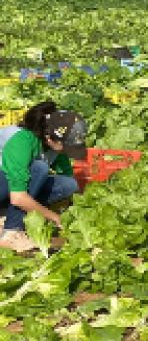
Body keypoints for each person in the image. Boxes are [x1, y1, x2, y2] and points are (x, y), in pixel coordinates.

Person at [0, 102, 87, 251]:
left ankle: (5, 212)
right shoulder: (21, 140)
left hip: (10, 186)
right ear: (49, 138)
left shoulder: (55, 148)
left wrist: (79, 211)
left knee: (68, 185)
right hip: (8, 186)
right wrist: (54, 217)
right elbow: (18, 197)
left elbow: (69, 179)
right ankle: (11, 232)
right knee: (39, 168)